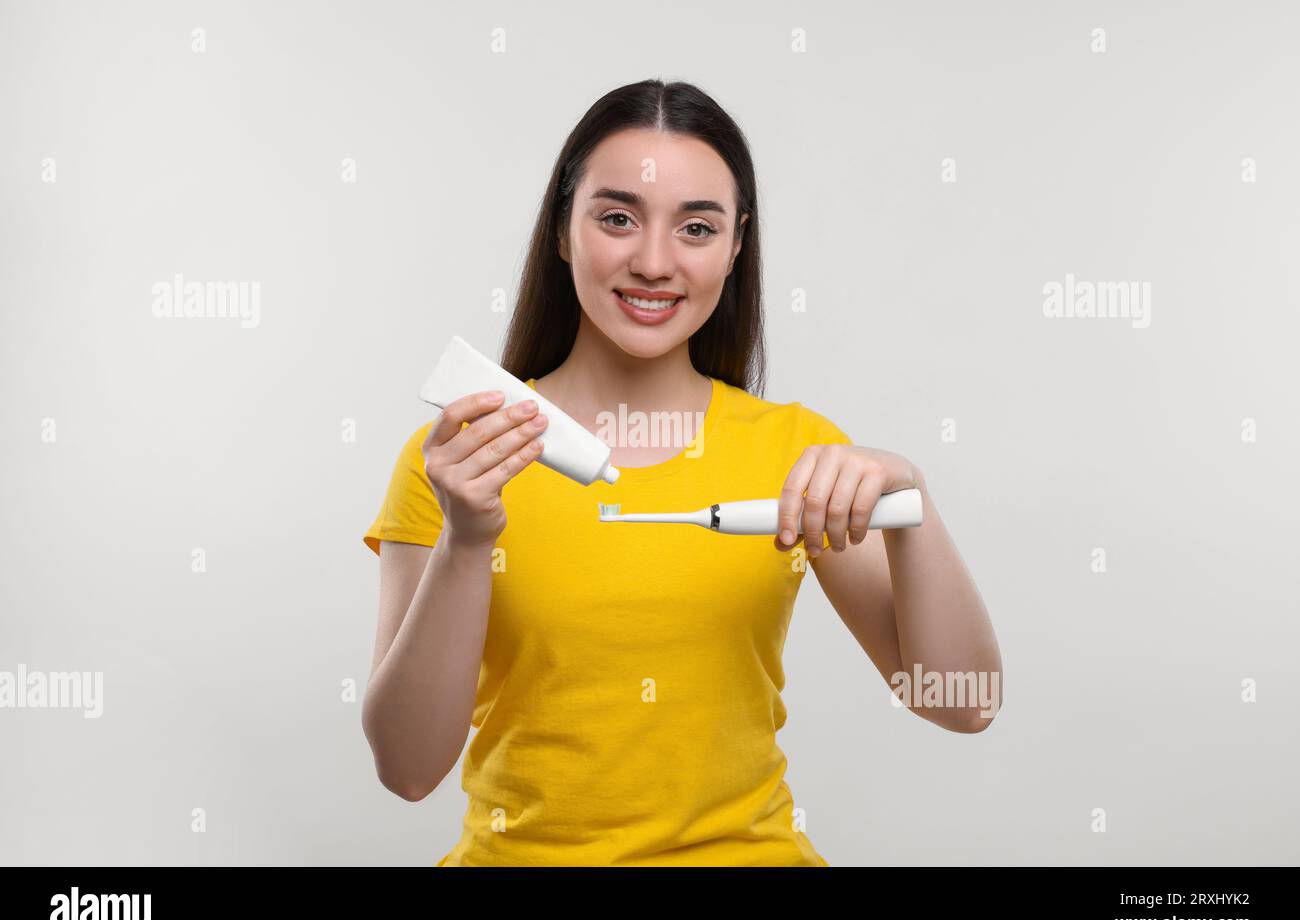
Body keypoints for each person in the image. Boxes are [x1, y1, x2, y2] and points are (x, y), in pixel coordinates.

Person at [361, 79, 1002, 866]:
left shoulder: (796, 455)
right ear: (564, 230)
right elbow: (407, 768)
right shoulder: (461, 458)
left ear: (736, 246)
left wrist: (913, 505)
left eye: (696, 227)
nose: (654, 262)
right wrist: (467, 539)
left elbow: (966, 706)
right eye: (618, 217)